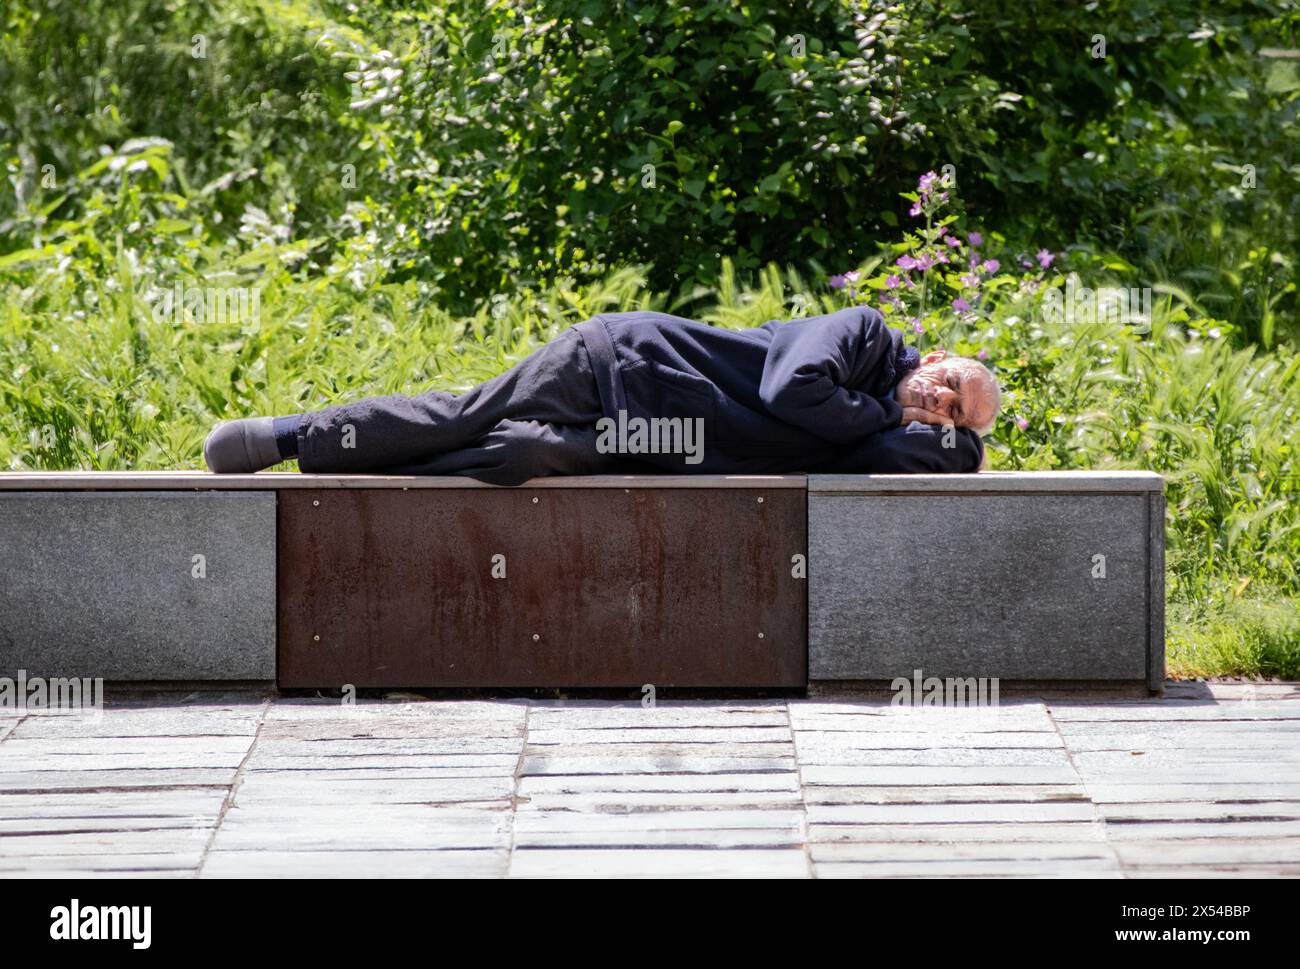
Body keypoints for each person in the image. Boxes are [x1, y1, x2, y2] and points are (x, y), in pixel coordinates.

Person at [203, 306, 1000, 484]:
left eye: (955, 413)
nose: (940, 402)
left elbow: (912, 456)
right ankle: (286, 436)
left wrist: (961, 448)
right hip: (621, 360)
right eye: (952, 383)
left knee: (521, 455)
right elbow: (791, 386)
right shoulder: (861, 333)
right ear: (936, 354)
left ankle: (368, 476)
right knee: (469, 412)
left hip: (657, 435)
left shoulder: (880, 429)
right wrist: (884, 411)